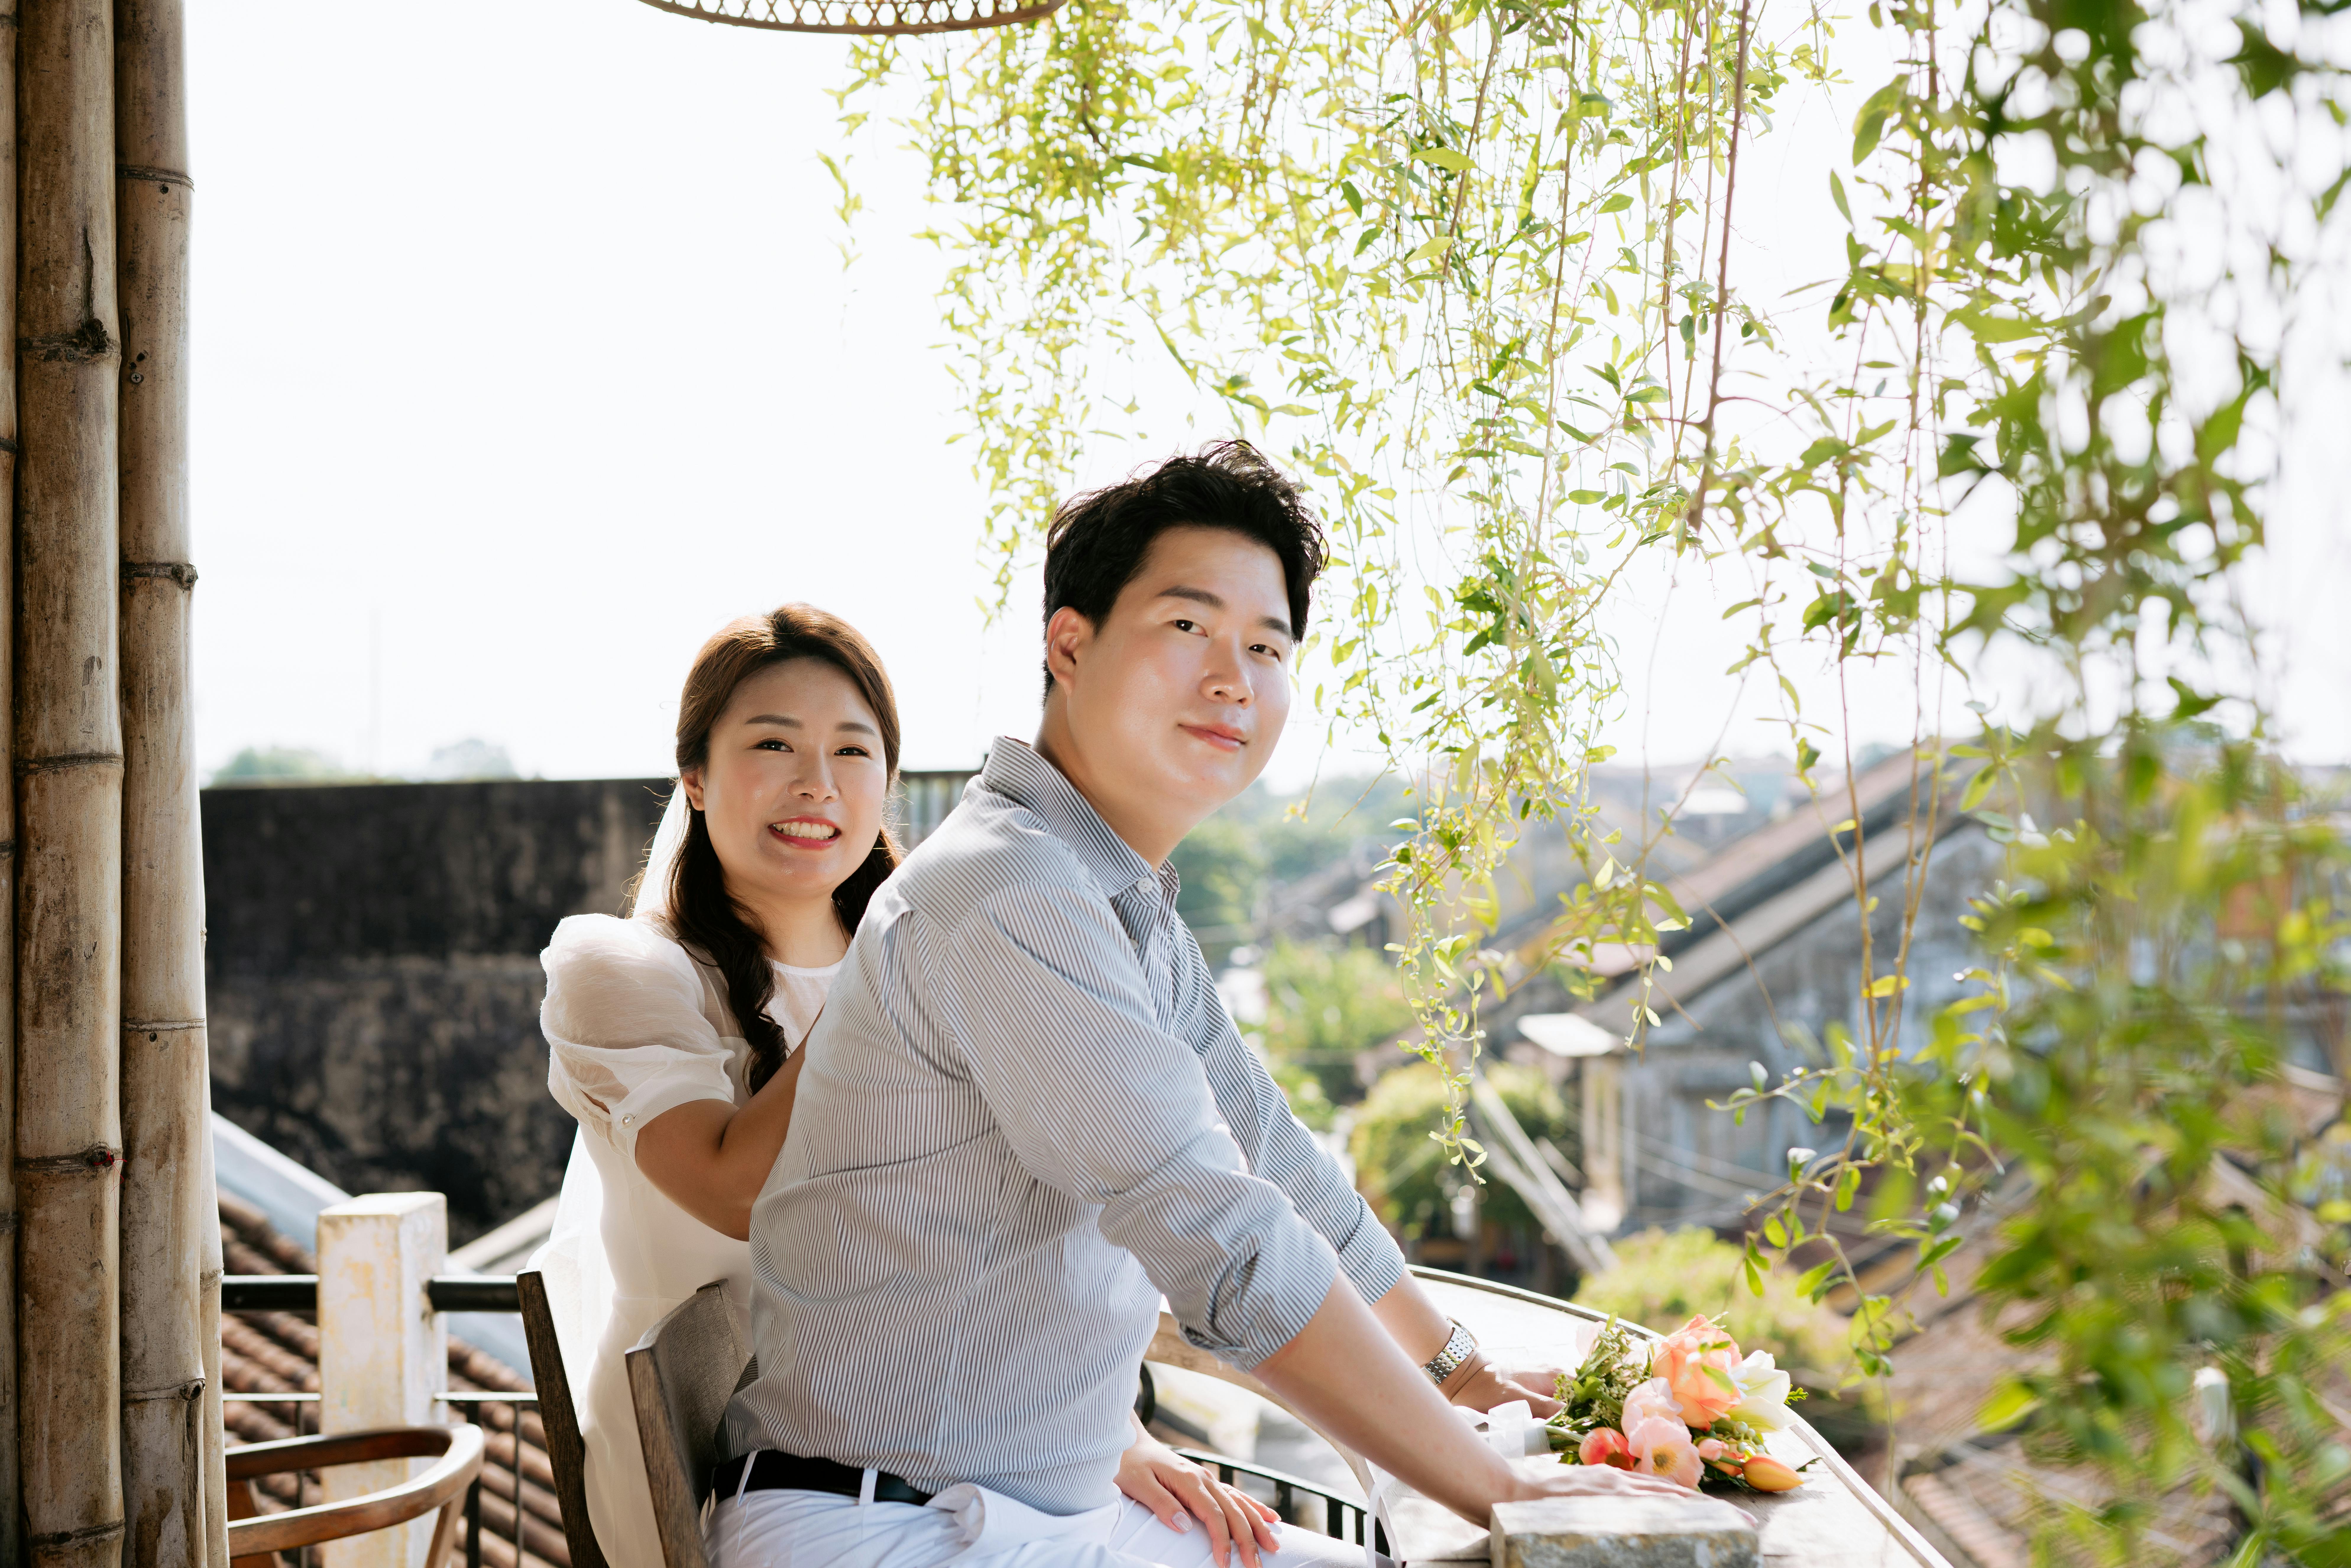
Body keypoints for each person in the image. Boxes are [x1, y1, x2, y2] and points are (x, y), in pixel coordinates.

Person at [711, 448, 1681, 1568]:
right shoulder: (1005, 890)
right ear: (1069, 645)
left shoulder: (1107, 894)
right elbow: (1216, 1228)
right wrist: (1503, 1489)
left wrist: (1461, 1369)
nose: (1234, 679)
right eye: (1189, 629)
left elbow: (1272, 1158)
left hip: (1028, 1514)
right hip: (883, 1530)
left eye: (1266, 648)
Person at [535, 605, 1289, 1567]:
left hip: (966, 1456)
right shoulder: (626, 971)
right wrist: (907, 962)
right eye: (773, 743)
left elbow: (999, 1253)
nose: (817, 784)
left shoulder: (941, 953)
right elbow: (731, 1195)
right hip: (748, 1480)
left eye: (854, 752)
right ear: (695, 775)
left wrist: (1114, 1442)